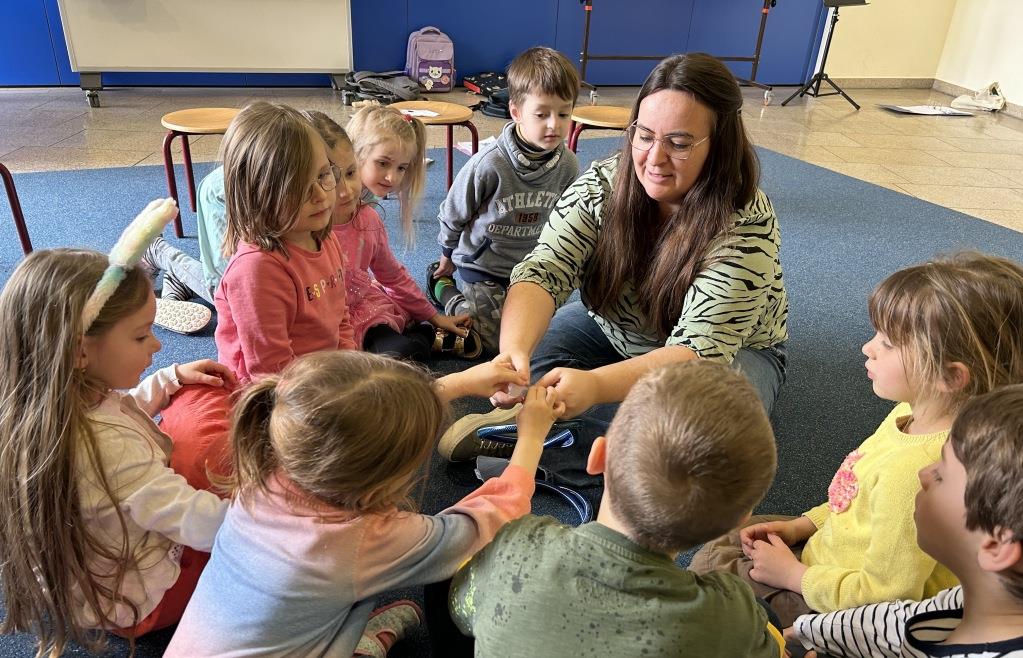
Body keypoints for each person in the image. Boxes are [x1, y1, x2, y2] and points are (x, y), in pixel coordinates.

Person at [437, 52, 789, 461]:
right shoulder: (604, 182)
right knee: (537, 352)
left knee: (710, 429)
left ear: (720, 146)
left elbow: (699, 352)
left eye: (678, 143)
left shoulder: (746, 223)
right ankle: (587, 443)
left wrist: (596, 387)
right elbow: (546, 268)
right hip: (614, 328)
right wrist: (513, 352)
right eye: (643, 135)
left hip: (733, 352)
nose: (653, 159)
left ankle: (543, 437)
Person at [689, 252, 1023, 628]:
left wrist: (794, 577)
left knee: (713, 583)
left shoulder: (913, 476)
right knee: (730, 541)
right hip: (837, 552)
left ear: (950, 377)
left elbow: (887, 599)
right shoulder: (911, 411)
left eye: (888, 344)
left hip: (847, 607)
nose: (867, 348)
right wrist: (805, 525)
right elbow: (854, 493)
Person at [164, 351, 558, 658]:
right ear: (382, 481)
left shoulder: (267, 466)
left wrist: (459, 382)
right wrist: (531, 439)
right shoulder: (364, 539)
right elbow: (479, 525)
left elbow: (351, 426)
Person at [0, 200, 237, 656]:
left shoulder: (49, 403)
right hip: (143, 602)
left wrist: (167, 381)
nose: (157, 344)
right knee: (233, 490)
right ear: (79, 352)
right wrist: (270, 526)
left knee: (195, 407)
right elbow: (198, 522)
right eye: (140, 335)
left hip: (93, 579)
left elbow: (118, 409)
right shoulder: (108, 450)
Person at [445, 360, 784, 657]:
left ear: (598, 457)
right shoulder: (730, 617)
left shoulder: (516, 549)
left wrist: (530, 438)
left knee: (454, 565)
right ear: (740, 520)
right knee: (768, 622)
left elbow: (460, 607)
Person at [787, 384, 1023, 658]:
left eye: (941, 475)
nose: (923, 474)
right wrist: (812, 631)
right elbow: (900, 620)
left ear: (995, 547)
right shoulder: (972, 597)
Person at [427, 46, 581, 355]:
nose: (554, 124)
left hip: (530, 266)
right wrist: (446, 259)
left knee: (538, 336)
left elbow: (570, 220)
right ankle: (444, 291)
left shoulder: (568, 165)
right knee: (491, 343)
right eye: (542, 114)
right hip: (482, 266)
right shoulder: (489, 163)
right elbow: (454, 212)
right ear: (516, 111)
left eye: (563, 113)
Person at [305, 110, 474, 362]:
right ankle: (421, 336)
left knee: (400, 357)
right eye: (331, 177)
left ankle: (423, 334)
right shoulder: (303, 228)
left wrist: (434, 316)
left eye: (350, 174)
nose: (345, 191)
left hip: (360, 311)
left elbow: (392, 275)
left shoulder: (367, 219)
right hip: (319, 325)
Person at [214, 101, 356, 384]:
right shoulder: (257, 270)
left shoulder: (323, 237)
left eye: (323, 174)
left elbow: (341, 319)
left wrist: (351, 373)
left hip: (318, 381)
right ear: (256, 193)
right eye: (297, 188)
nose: (320, 195)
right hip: (277, 397)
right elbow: (270, 373)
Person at [346, 103, 427, 234]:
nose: (391, 178)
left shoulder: (366, 193)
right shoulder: (336, 198)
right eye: (382, 163)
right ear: (357, 153)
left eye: (401, 168)